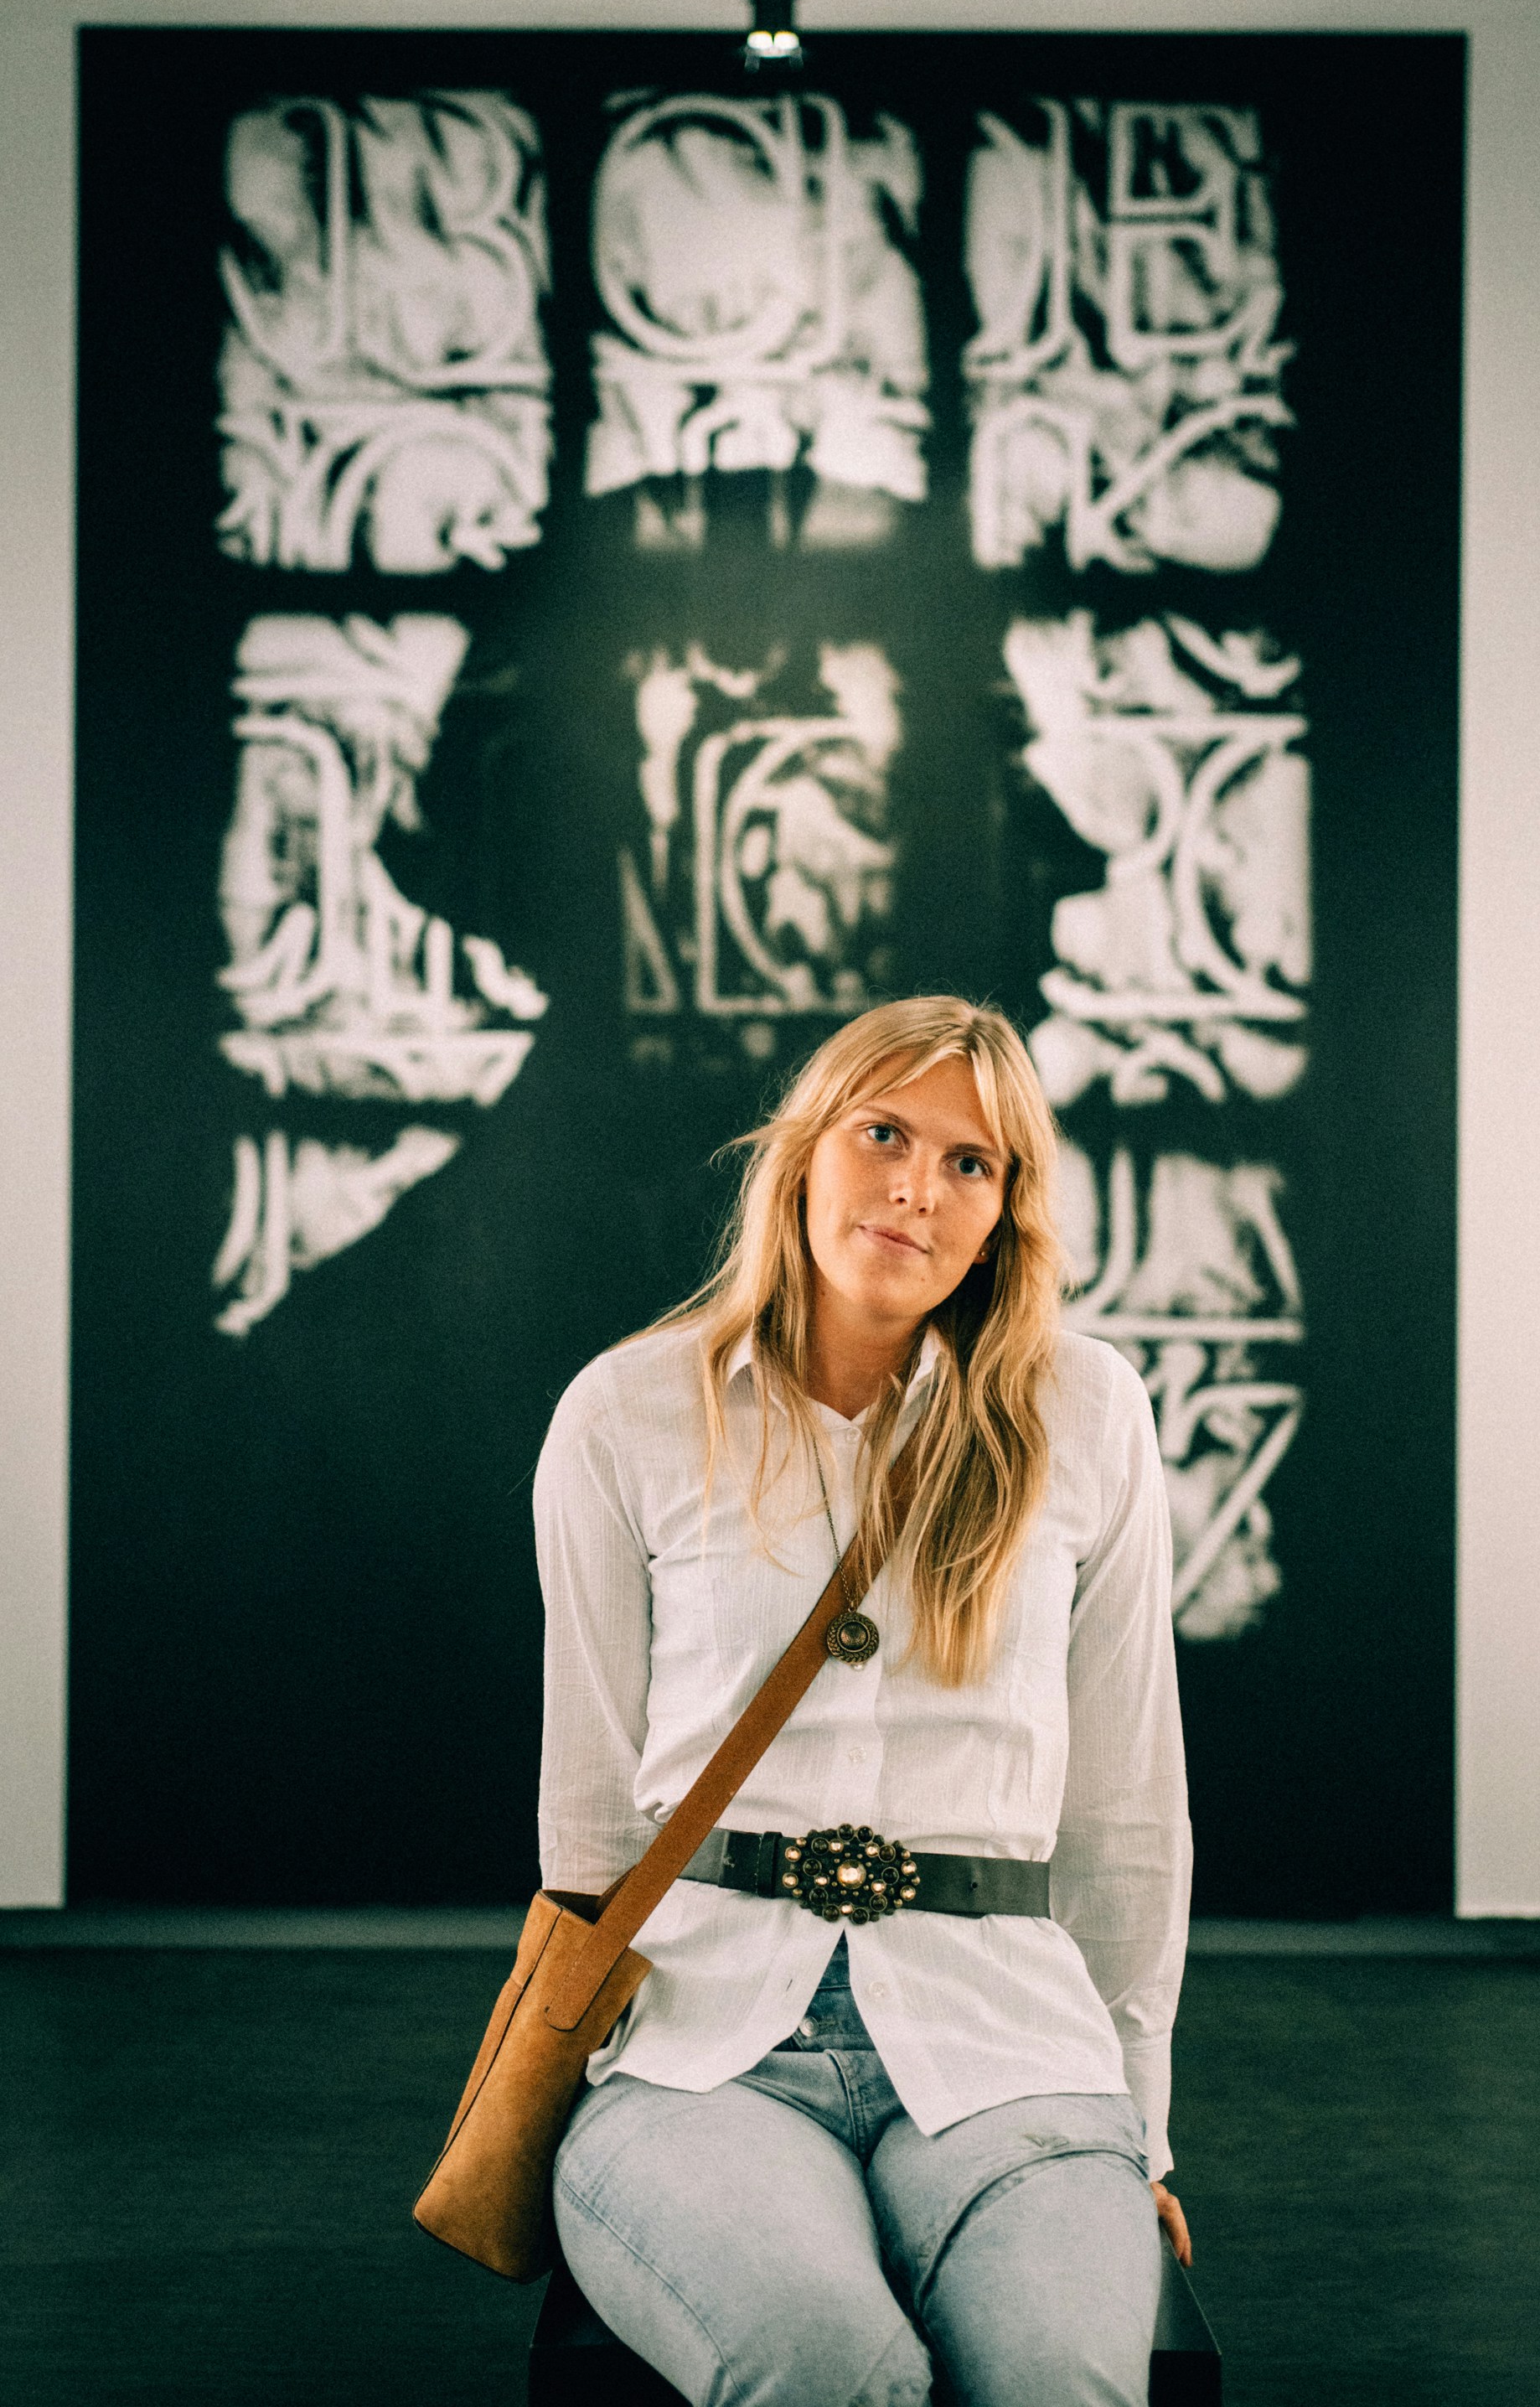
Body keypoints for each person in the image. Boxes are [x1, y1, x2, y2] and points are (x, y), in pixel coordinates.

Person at [536, 996, 1193, 2407]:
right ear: (803, 1151)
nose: (916, 1187)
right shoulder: (629, 1409)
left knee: (1059, 2381)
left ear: (1009, 1210)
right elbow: (589, 1805)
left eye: (972, 1163)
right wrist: (561, 2072)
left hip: (1011, 2044)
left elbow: (1129, 1815)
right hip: (703, 2052)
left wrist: (1140, 2132)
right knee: (831, 2371)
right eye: (884, 1133)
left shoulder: (1087, 1410)